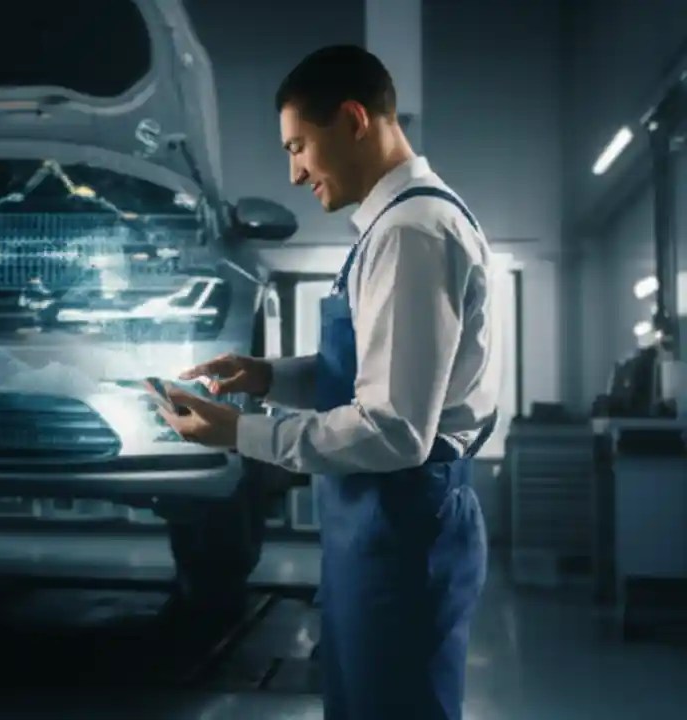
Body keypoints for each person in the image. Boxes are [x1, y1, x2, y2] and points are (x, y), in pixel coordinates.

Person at [157, 45, 500, 720]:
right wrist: (266, 377)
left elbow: (393, 429)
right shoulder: (387, 230)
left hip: (403, 522)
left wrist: (240, 433)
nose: (292, 173)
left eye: (298, 147)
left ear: (352, 120)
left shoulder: (413, 233)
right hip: (377, 522)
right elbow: (369, 376)